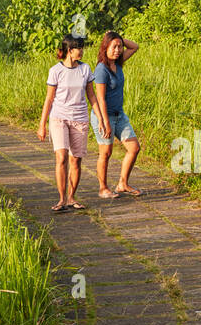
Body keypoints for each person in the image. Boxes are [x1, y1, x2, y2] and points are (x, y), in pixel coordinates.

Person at [37, 36, 101, 212]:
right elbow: (49, 99)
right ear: (69, 50)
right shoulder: (55, 70)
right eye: (77, 48)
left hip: (79, 118)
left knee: (76, 160)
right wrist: (42, 124)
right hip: (59, 117)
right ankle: (61, 199)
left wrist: (101, 119)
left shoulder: (85, 69)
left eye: (82, 48)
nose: (81, 51)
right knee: (62, 157)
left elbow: (92, 96)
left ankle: (72, 197)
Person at [91, 31, 141, 197]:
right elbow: (100, 99)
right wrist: (104, 122)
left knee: (134, 148)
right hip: (104, 116)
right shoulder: (101, 69)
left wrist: (117, 36)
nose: (118, 50)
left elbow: (135, 47)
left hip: (119, 115)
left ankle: (122, 183)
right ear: (105, 48)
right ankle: (103, 188)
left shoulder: (118, 64)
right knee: (106, 153)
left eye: (119, 47)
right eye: (114, 47)